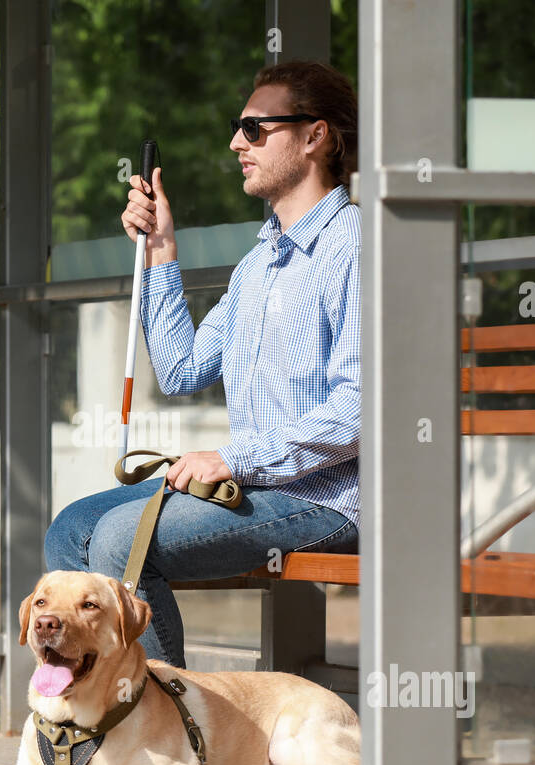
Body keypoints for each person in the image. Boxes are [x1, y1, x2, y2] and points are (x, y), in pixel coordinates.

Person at [43, 60, 361, 668]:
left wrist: (230, 457)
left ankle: (166, 732)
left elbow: (355, 413)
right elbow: (182, 368)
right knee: (71, 530)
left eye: (255, 128)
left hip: (328, 500)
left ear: (315, 136)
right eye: (239, 128)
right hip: (259, 491)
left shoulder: (355, 248)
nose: (237, 142)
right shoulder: (258, 264)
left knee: (117, 539)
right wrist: (161, 249)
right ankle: (114, 712)